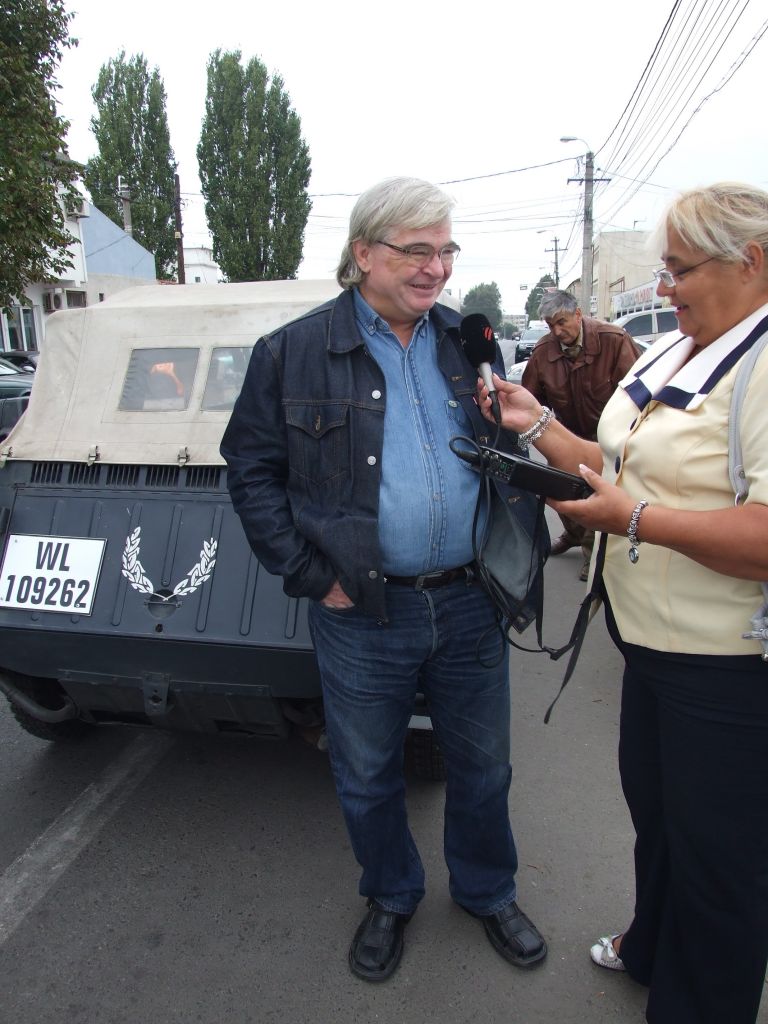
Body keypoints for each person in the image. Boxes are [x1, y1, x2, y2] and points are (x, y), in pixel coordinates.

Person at [221, 177, 547, 982]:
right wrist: (307, 574)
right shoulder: (291, 353)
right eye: (416, 251)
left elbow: (495, 452)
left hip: (470, 600)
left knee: (485, 765)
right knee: (368, 773)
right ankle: (392, 894)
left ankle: (485, 889)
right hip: (363, 610)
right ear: (362, 253)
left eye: (445, 251)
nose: (436, 268)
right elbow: (251, 472)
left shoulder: (465, 341)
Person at [478, 181, 768, 1024]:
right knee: (660, 821)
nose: (665, 288)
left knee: (722, 862)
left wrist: (632, 520)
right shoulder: (677, 349)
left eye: (679, 270)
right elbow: (613, 463)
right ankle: (652, 948)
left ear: (751, 260)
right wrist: (533, 425)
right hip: (648, 644)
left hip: (727, 668)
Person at [522, 291, 639, 580]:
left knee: (596, 498)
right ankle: (575, 535)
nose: (557, 331)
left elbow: (641, 392)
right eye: (550, 325)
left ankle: (594, 554)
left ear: (578, 314)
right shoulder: (543, 352)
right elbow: (529, 399)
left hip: (611, 438)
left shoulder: (614, 340)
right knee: (558, 489)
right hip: (569, 434)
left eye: (562, 322)